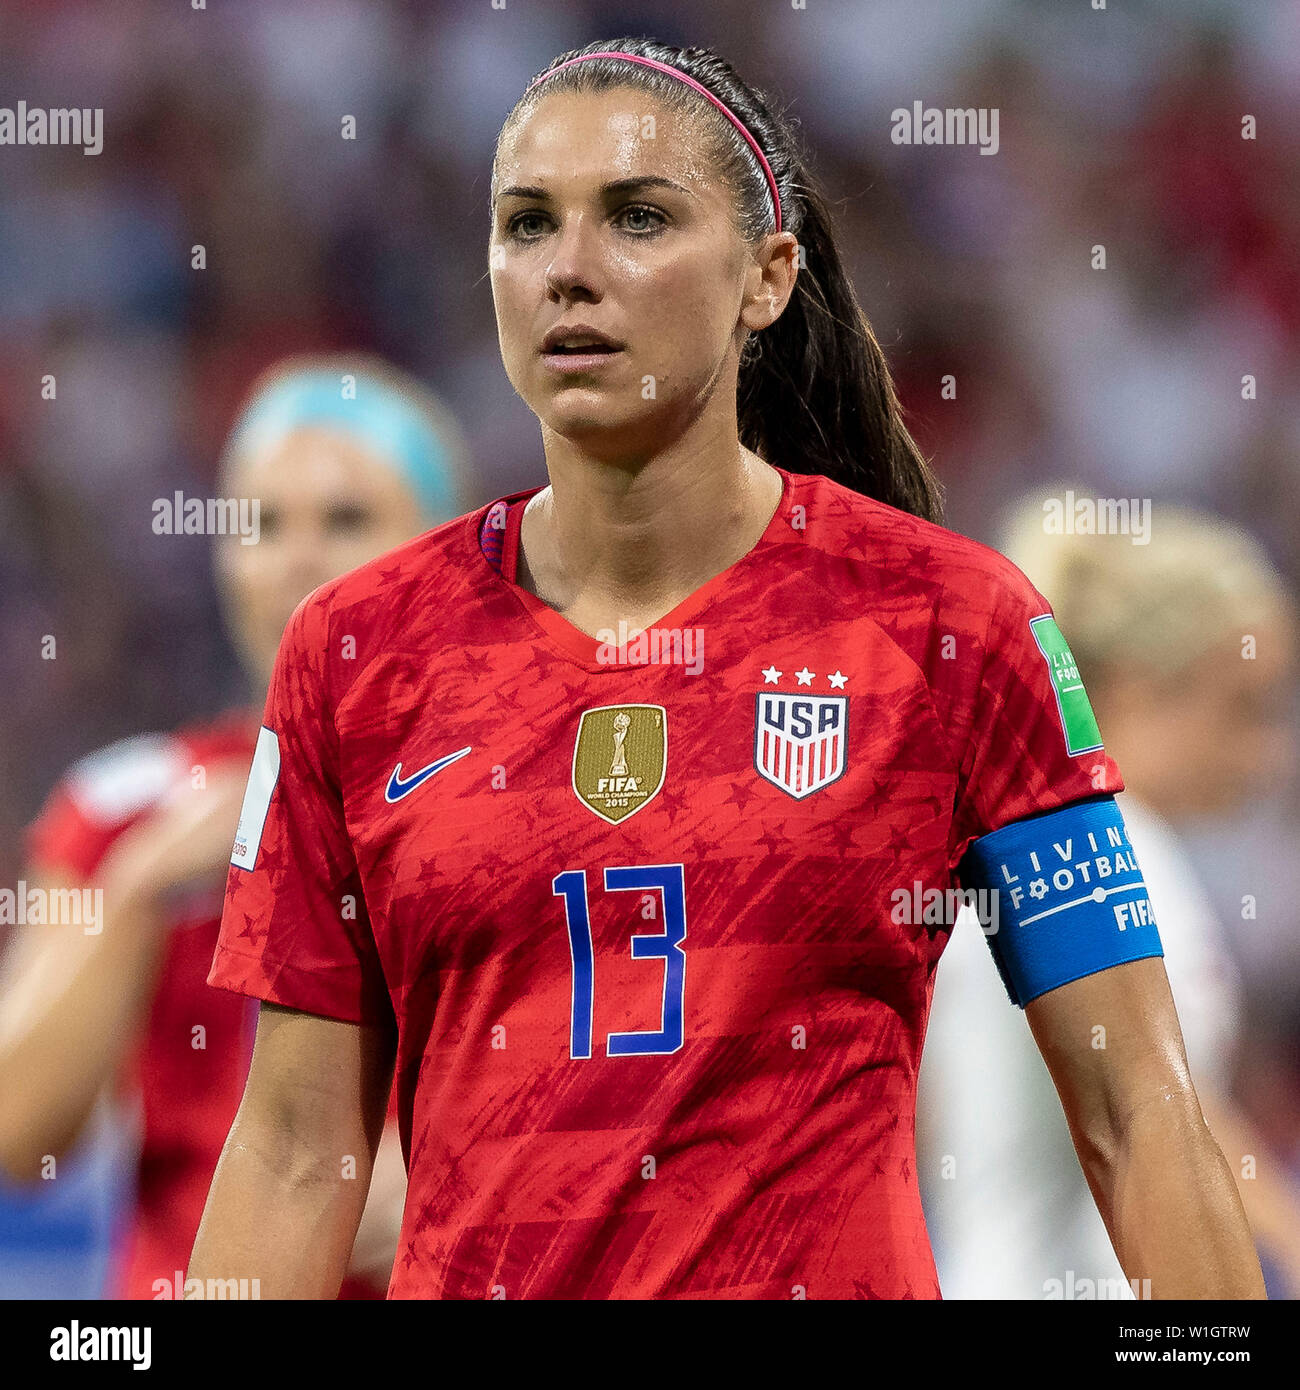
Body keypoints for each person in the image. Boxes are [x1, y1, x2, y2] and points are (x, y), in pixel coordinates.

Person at [190, 39, 1264, 1300]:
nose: (569, 269)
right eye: (526, 224)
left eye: (637, 216)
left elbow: (1137, 1107)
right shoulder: (356, 650)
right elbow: (294, 1148)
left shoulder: (951, 625)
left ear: (767, 277)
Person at [0, 353, 469, 1298]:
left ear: (442, 550)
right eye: (259, 524)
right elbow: (17, 1131)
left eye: (346, 519)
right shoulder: (123, 809)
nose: (298, 557)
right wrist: (135, 894)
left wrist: (453, 1182)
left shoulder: (513, 799)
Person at [919, 498, 1300, 1298]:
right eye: (1243, 712)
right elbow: (1173, 1114)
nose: (1267, 754)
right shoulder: (1113, 859)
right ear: (1135, 691)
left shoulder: (1043, 844)